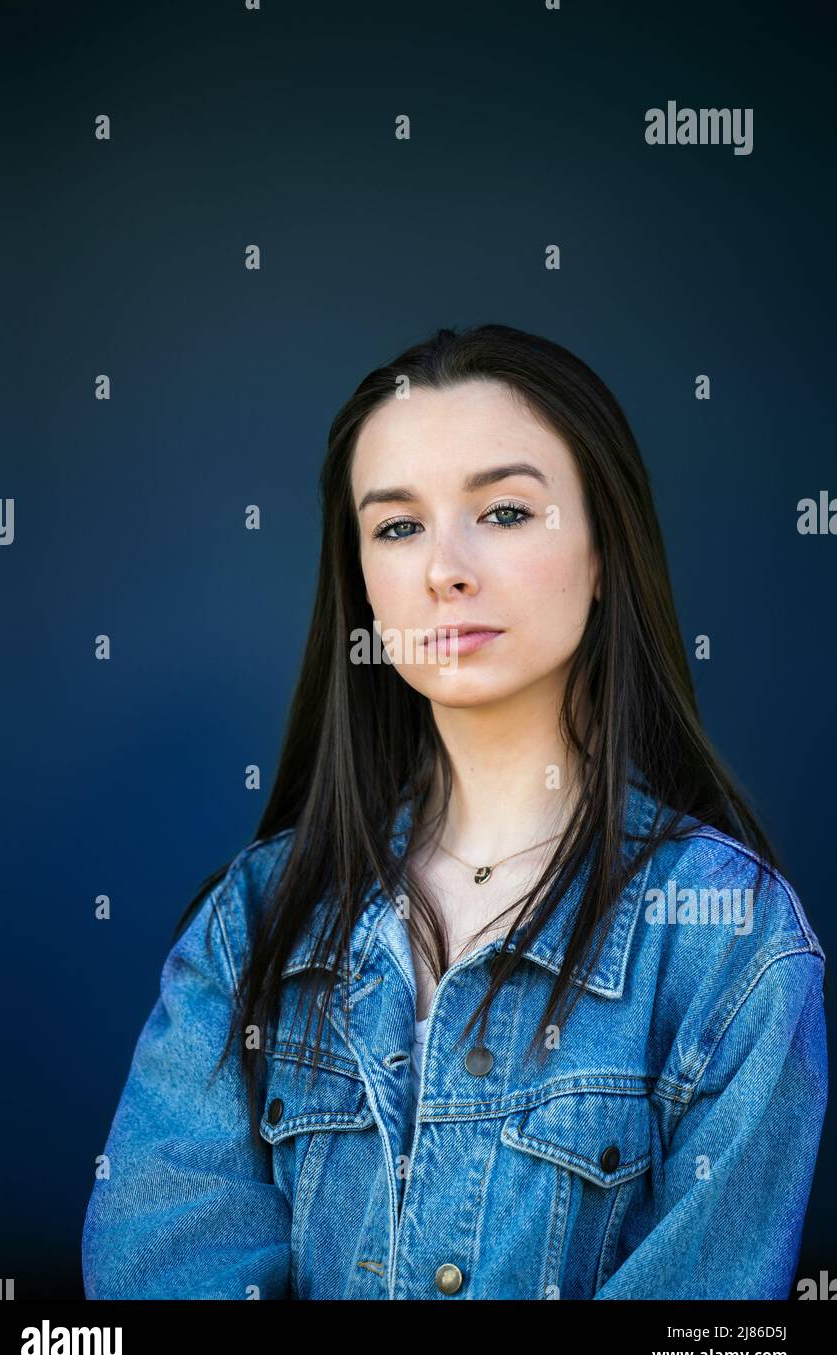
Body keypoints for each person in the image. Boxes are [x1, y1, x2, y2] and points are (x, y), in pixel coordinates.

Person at [81, 323, 828, 1300]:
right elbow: (158, 1276)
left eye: (505, 511)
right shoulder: (248, 925)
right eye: (396, 526)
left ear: (605, 551)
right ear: (360, 580)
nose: (445, 568)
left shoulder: (730, 945)